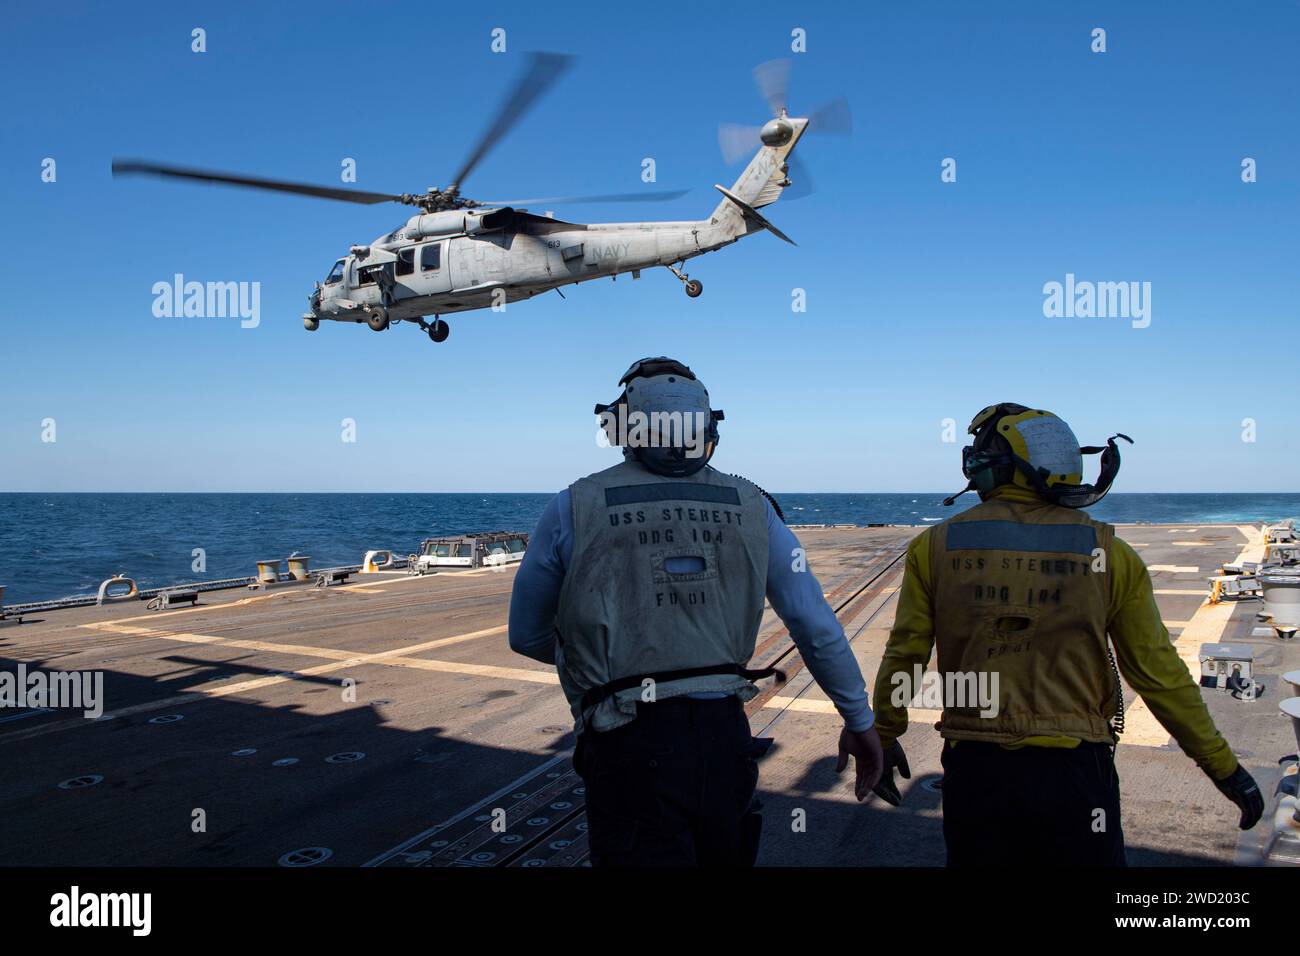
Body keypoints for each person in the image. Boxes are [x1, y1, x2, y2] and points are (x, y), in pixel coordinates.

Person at [508, 356, 884, 866]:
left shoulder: (574, 505)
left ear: (623, 426)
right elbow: (814, 624)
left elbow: (526, 635)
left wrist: (609, 669)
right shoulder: (753, 504)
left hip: (625, 744)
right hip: (722, 740)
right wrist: (859, 720)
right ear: (707, 429)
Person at [870, 402, 1264, 866]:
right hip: (1076, 774)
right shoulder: (1109, 552)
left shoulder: (935, 546)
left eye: (981, 454)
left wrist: (882, 731)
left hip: (975, 771)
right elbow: (1159, 674)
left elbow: (906, 653)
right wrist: (1222, 767)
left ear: (1006, 466)